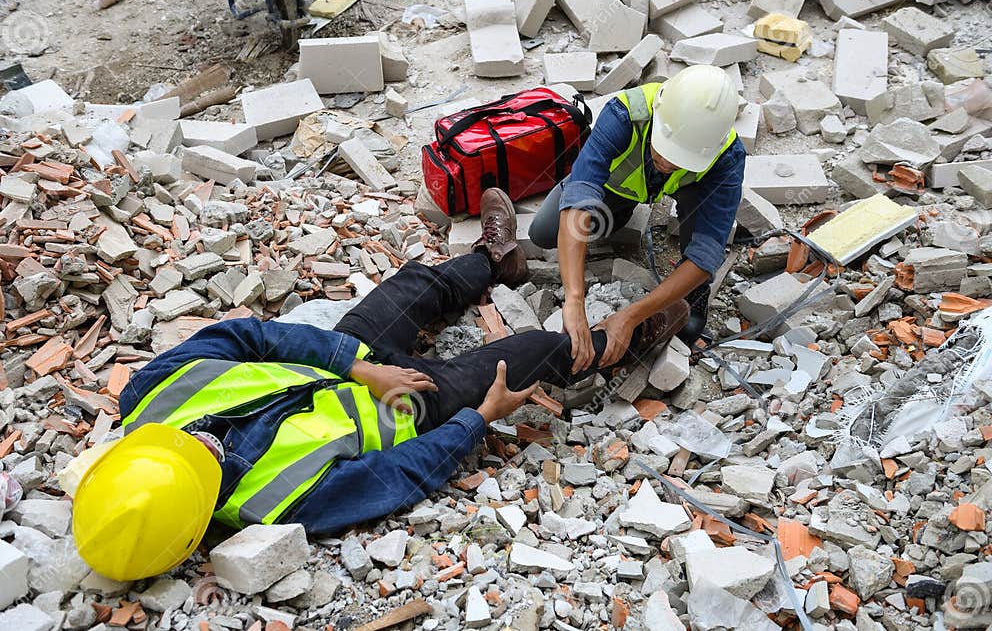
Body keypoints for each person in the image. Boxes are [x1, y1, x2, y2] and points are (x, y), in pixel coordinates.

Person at [67, 188, 688, 581]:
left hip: (342, 365)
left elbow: (250, 336)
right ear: (198, 523)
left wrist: (356, 363)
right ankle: (623, 344)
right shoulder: (269, 509)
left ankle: (497, 261)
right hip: (411, 405)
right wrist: (480, 419)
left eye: (183, 445)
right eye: (200, 467)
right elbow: (396, 477)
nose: (201, 446)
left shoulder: (148, 397)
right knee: (526, 354)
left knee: (411, 290)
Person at [528, 65, 747, 374]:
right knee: (545, 231)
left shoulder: (727, 155)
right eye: (664, 152)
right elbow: (579, 197)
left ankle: (693, 296)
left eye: (680, 158)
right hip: (617, 186)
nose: (669, 163)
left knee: (686, 325)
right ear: (659, 114)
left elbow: (706, 254)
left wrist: (632, 316)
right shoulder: (623, 114)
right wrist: (574, 299)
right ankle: (616, 212)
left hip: (687, 196)